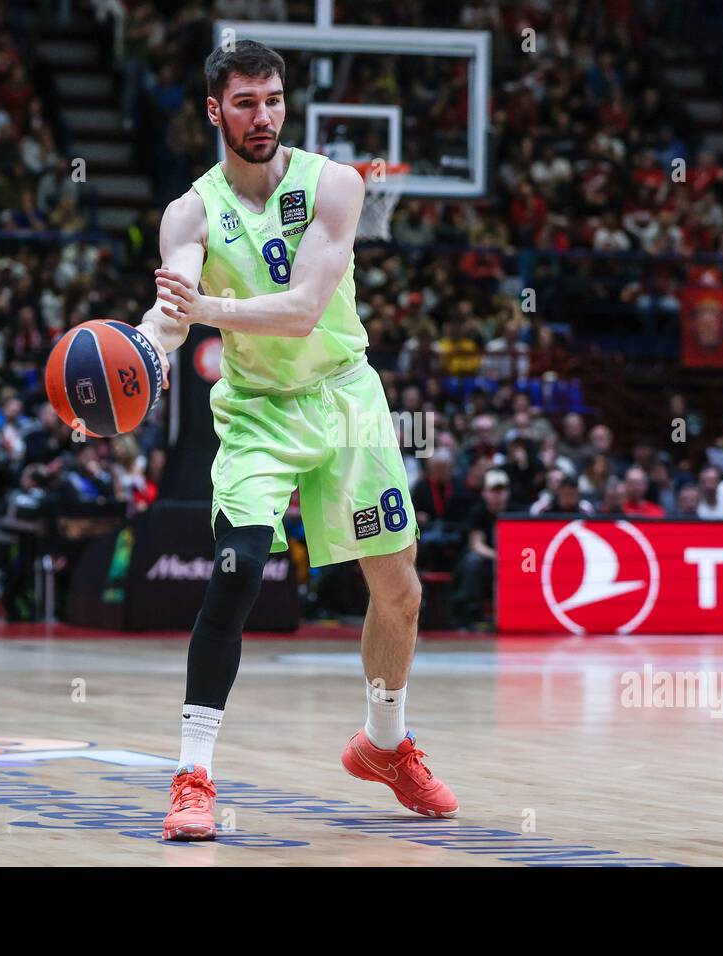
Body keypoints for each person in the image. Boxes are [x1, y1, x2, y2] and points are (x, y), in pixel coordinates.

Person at [134, 41, 457, 840]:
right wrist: (143, 347)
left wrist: (206, 311)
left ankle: (385, 744)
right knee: (239, 569)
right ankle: (192, 776)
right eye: (244, 103)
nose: (262, 116)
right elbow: (173, 307)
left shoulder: (336, 184)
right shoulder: (192, 211)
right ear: (216, 111)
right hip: (258, 410)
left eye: (272, 99)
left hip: (346, 397)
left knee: (401, 592)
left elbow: (306, 306)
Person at [451, 469, 509, 628]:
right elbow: (477, 545)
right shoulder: (477, 513)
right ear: (484, 493)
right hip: (488, 560)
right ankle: (469, 614)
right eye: (494, 491)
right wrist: (500, 556)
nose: (498, 495)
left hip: (510, 561)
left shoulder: (514, 512)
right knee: (473, 561)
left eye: (502, 490)